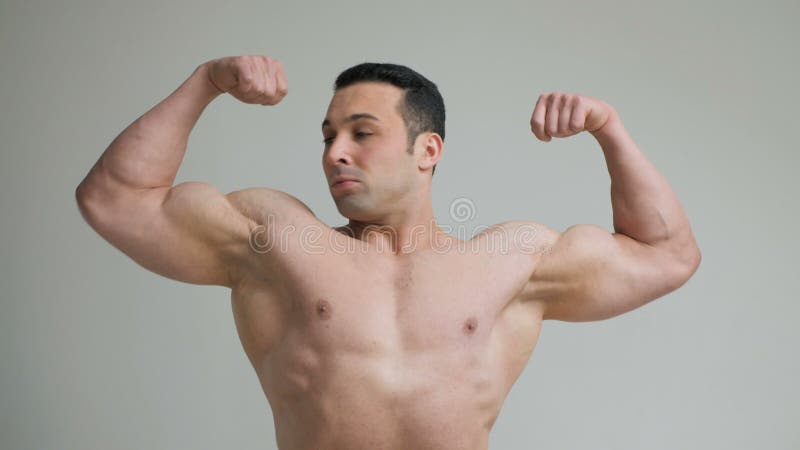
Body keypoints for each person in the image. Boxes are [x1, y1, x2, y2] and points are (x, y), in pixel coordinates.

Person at [75, 54, 701, 450]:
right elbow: (114, 199)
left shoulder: (511, 262)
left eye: (361, 134)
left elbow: (668, 254)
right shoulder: (277, 241)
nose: (334, 152)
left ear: (427, 151)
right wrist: (205, 82)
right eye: (328, 135)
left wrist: (608, 129)